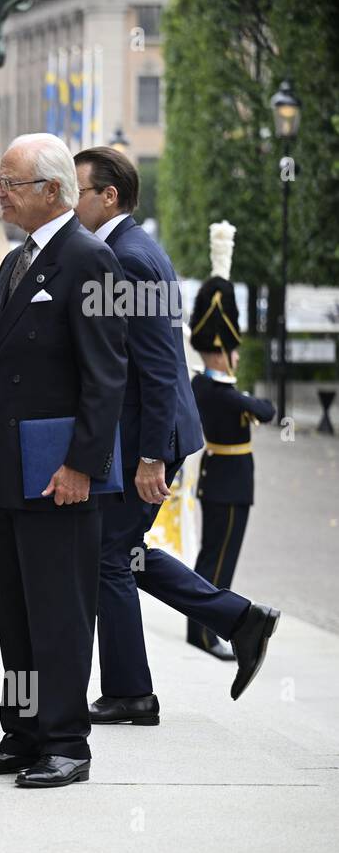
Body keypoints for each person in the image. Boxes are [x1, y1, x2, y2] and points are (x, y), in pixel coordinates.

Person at [74, 149, 280, 725]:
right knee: (124, 554)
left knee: (110, 557)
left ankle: (131, 691)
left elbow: (161, 366)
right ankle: (240, 620)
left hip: (148, 439)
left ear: (108, 196)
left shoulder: (129, 258)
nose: (72, 200)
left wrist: (148, 457)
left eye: (80, 190)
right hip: (146, 435)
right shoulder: (129, 250)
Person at [0, 134, 127, 789]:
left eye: (10, 182)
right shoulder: (13, 264)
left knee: (60, 611)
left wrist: (83, 463)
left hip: (62, 474)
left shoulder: (93, 261)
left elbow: (106, 376)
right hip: (13, 472)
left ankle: (65, 742)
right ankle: (23, 732)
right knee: (19, 611)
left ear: (50, 192)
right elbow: (2, 377)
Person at [188, 221, 279, 664]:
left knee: (216, 558)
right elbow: (266, 410)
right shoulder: (220, 391)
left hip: (221, 480)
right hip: (228, 482)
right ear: (223, 351)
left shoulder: (206, 386)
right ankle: (205, 632)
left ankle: (202, 627)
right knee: (219, 562)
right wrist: (236, 383)